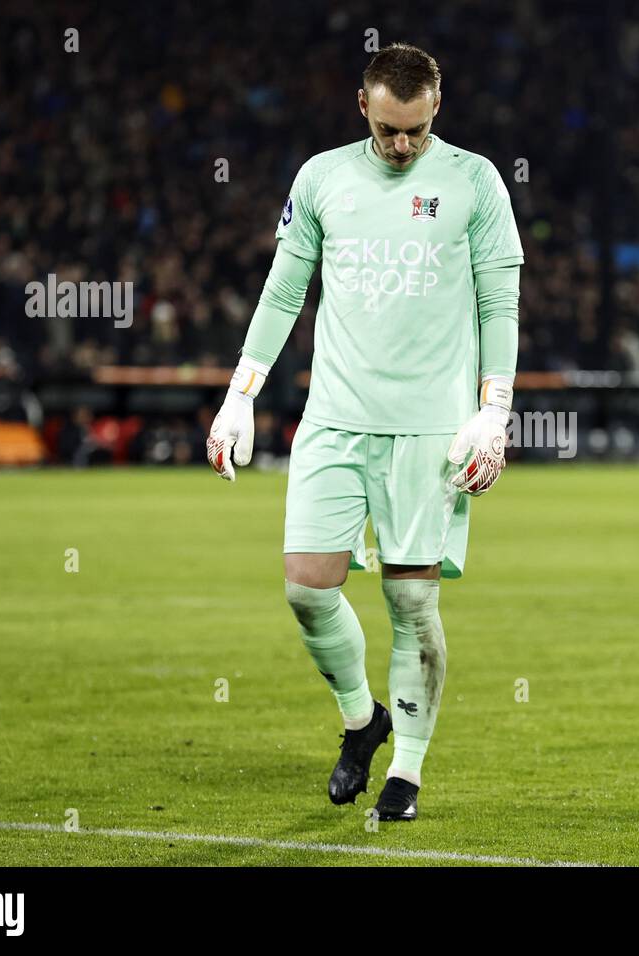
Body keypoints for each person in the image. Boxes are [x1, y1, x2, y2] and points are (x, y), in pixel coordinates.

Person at [205, 43, 524, 822]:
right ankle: (362, 719)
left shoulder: (476, 182)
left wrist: (494, 411)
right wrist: (240, 393)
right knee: (305, 589)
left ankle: (406, 773)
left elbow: (497, 305)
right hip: (335, 419)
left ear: (435, 110)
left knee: (411, 607)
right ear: (363, 107)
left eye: (414, 130)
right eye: (387, 129)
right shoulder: (322, 178)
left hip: (430, 431)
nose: (401, 146)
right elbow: (284, 291)